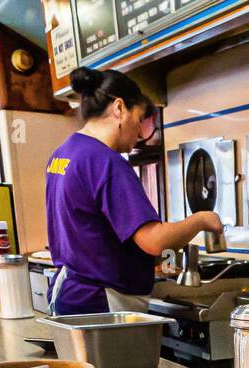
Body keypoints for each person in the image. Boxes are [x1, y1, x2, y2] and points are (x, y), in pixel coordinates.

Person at [45, 66, 222, 315]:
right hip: (102, 303)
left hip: (71, 297)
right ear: (119, 108)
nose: (140, 132)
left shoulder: (63, 154)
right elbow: (154, 241)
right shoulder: (106, 161)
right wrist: (202, 219)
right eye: (139, 119)